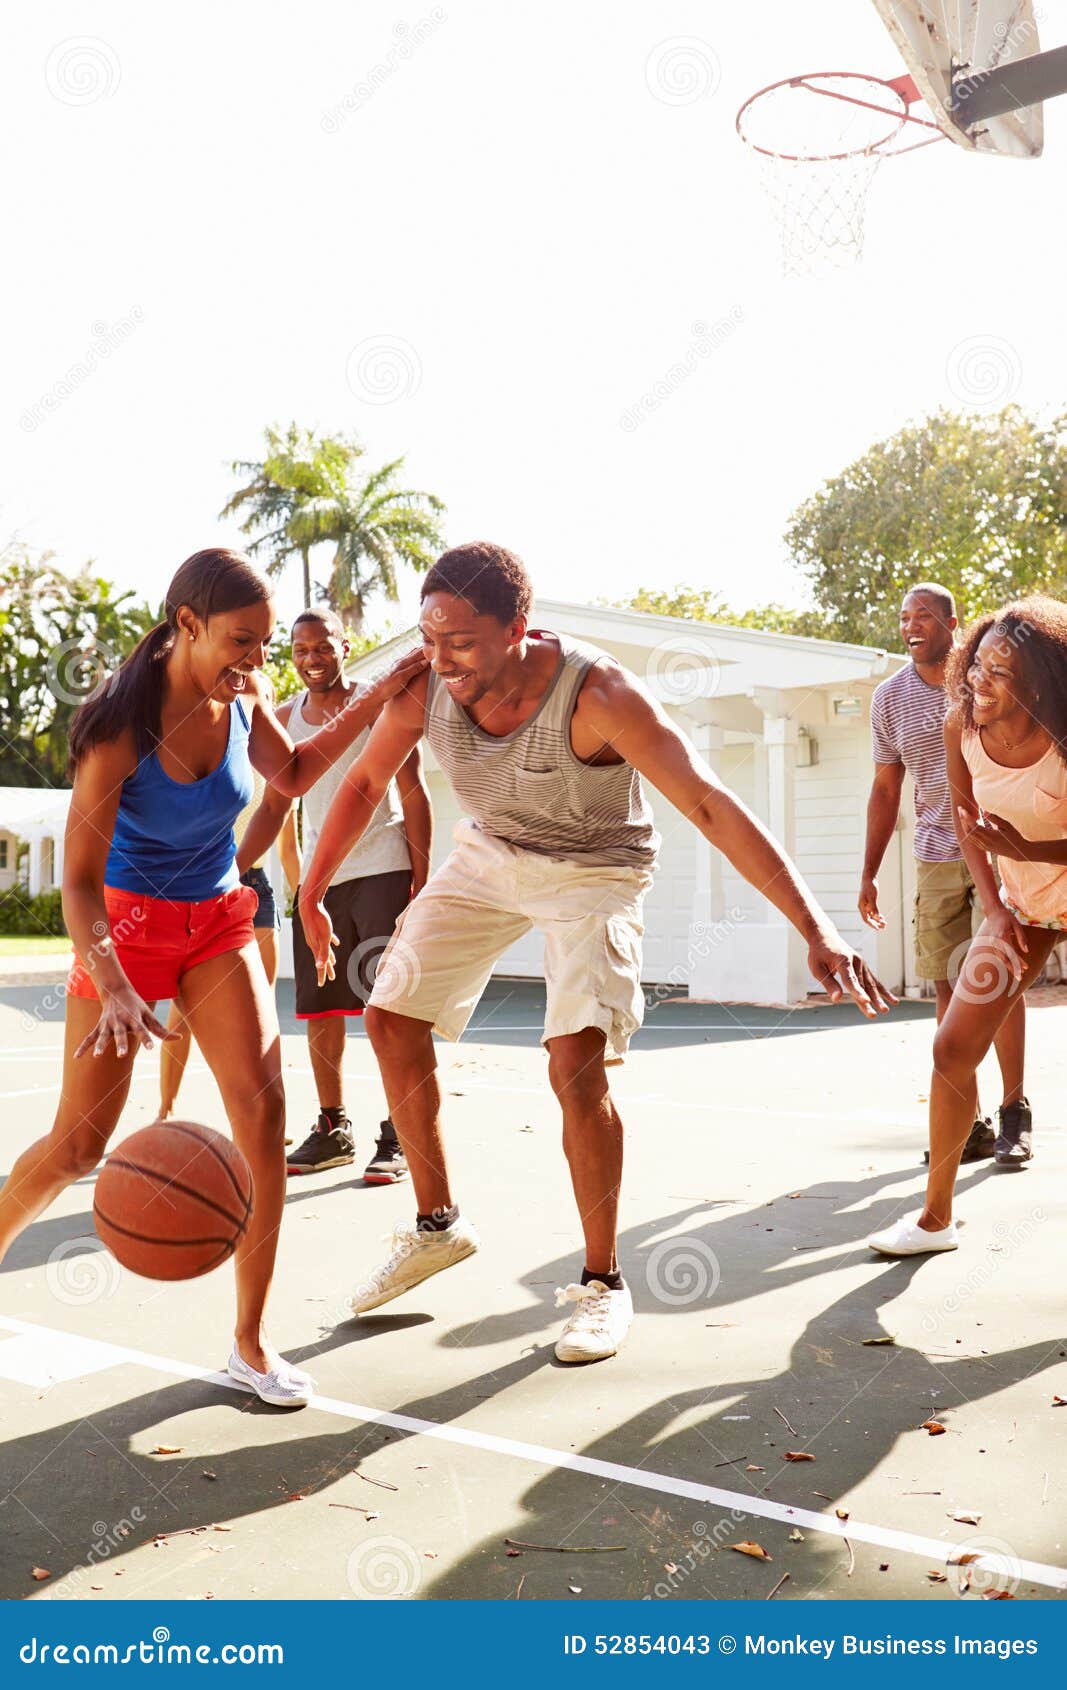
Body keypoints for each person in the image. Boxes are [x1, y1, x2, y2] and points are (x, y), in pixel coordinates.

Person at [298, 541, 894, 1364]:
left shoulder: (600, 694)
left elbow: (710, 806)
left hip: (594, 870)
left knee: (573, 1059)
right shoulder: (424, 683)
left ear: (518, 629)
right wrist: (309, 887)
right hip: (489, 851)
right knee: (390, 1017)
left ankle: (603, 1283)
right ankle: (436, 1225)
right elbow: (363, 784)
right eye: (428, 640)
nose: (439, 660)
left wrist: (814, 928)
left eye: (461, 643)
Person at [0, 548, 425, 1405]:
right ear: (187, 624)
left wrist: (379, 692)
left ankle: (249, 1342)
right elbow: (77, 884)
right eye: (241, 641)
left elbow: (297, 773)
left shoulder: (247, 699)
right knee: (79, 1142)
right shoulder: (119, 727)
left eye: (264, 644)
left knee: (263, 1114)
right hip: (123, 932)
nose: (256, 659)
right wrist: (113, 981)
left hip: (217, 920)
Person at [870, 597, 1067, 1256]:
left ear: (1037, 680)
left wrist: (1030, 849)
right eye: (977, 664)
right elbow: (963, 819)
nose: (978, 681)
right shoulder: (959, 723)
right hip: (1025, 907)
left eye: (1000, 672)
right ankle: (934, 1220)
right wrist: (993, 903)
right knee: (952, 1047)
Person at [242, 609, 432, 1180]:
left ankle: (399, 1132)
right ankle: (332, 1129)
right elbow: (275, 807)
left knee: (386, 1007)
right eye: (300, 650)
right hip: (318, 888)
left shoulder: (378, 707)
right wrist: (234, 868)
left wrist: (420, 880)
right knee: (320, 1010)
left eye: (322, 647)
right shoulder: (282, 720)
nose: (311, 659)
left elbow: (414, 793)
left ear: (345, 646)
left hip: (382, 870)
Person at [859, 582, 1030, 1167]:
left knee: (1001, 980)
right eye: (904, 615)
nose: (912, 625)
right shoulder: (889, 698)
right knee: (946, 985)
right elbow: (886, 788)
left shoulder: (984, 682)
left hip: (998, 847)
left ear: (953, 623)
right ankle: (969, 1120)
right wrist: (869, 872)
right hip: (933, 854)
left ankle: (1015, 1113)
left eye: (925, 615)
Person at [158, 751, 299, 1119]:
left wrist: (307, 902)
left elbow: (288, 849)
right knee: (184, 1008)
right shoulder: (215, 755)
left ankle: (261, 1119)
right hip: (209, 886)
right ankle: (167, 1107)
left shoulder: (281, 769)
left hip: (256, 888)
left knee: (261, 1012)